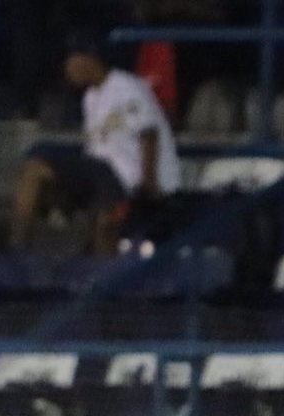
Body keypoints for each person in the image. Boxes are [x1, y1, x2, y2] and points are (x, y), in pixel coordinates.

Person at [10, 36, 181, 255]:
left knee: (102, 216)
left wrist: (149, 185)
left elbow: (148, 134)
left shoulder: (125, 85)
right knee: (36, 165)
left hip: (128, 175)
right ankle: (16, 252)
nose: (68, 71)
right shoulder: (90, 98)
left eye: (70, 63)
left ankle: (96, 267)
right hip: (104, 173)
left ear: (87, 59)